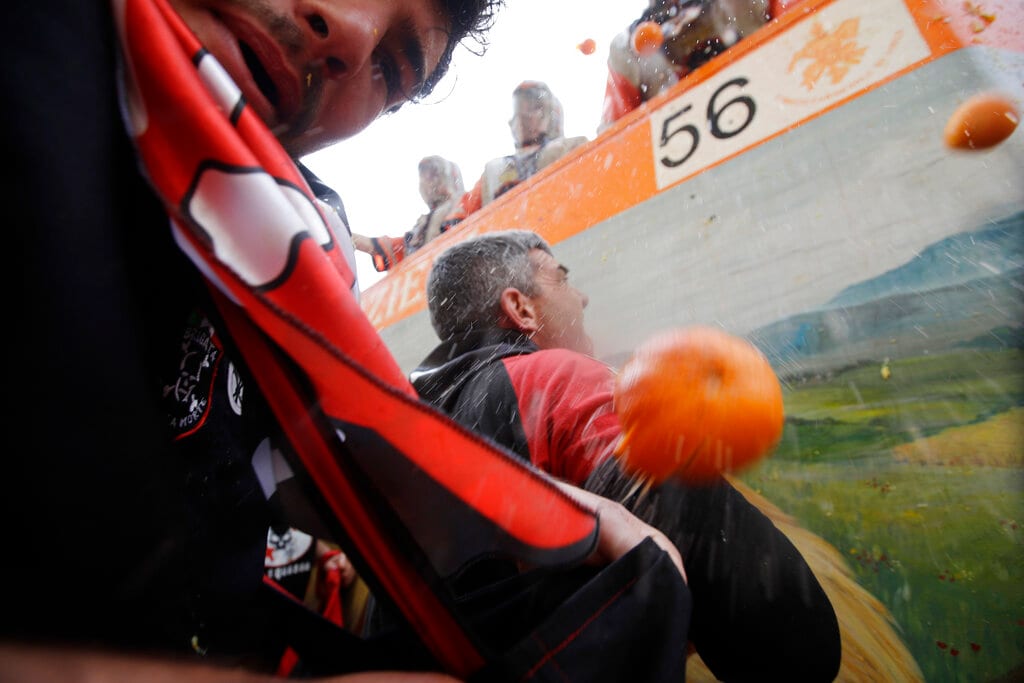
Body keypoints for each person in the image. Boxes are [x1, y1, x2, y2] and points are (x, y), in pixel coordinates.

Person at [4, 1, 690, 681]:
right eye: (562, 277)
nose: (354, 35)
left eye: (391, 70)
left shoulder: (299, 248)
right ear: (520, 308)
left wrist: (578, 519)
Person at [412, 230, 843, 682]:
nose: (582, 298)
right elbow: (790, 642)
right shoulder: (551, 377)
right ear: (521, 308)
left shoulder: (414, 437)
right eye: (561, 278)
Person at [600, 0, 794, 129]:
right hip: (689, 168)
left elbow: (811, 30)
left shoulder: (747, 5)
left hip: (781, 119)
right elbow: (613, 146)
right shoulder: (628, 52)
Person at [443, 81, 589, 226]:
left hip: (565, 232)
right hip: (507, 243)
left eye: (533, 108)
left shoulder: (572, 148)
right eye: (519, 109)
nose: (523, 116)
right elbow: (457, 223)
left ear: (551, 113)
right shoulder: (493, 172)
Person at [352, 155, 465, 272]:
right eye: (425, 176)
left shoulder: (467, 205)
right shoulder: (419, 231)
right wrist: (347, 236)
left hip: (462, 280)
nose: (428, 181)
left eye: (434, 174)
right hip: (428, 284)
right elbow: (387, 249)